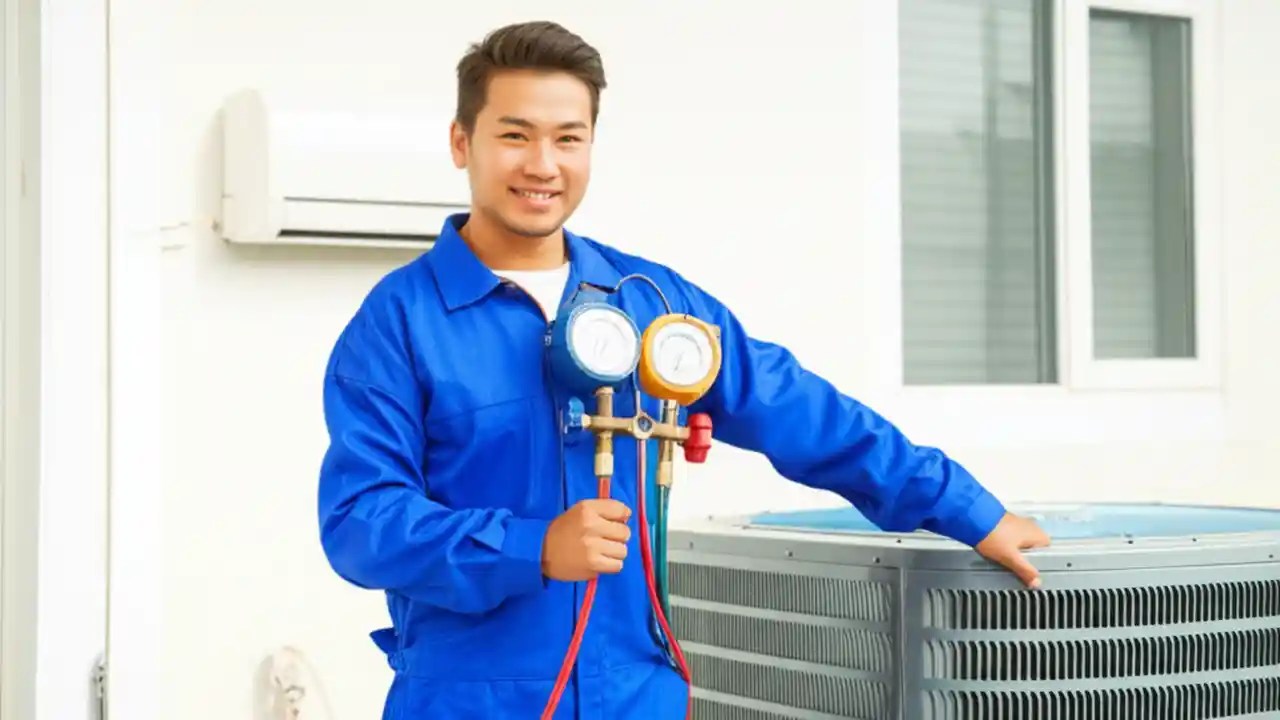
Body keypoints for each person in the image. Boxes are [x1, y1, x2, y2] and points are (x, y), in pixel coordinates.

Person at [317, 19, 1051, 719]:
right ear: (461, 142)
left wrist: (968, 509)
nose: (544, 165)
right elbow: (360, 523)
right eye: (516, 136)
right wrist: (532, 546)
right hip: (470, 700)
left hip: (636, 693)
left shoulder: (652, 304)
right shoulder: (399, 325)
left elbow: (794, 407)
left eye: (568, 138)